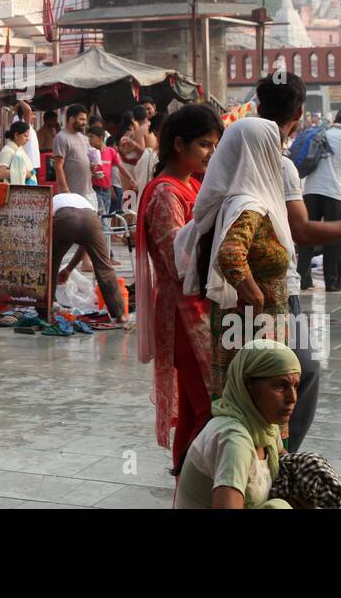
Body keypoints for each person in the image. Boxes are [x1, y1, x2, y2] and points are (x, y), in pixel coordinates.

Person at [254, 72, 341, 451]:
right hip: (275, 288)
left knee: (259, 371)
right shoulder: (279, 164)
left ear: (256, 107)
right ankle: (280, 456)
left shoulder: (238, 154)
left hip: (249, 283)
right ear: (299, 114)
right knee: (302, 370)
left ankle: (258, 453)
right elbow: (301, 230)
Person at [135, 104, 222, 471]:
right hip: (183, 312)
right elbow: (176, 264)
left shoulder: (193, 186)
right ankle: (198, 481)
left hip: (199, 306)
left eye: (215, 146)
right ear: (179, 145)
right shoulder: (166, 194)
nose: (211, 154)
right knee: (205, 405)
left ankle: (188, 483)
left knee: (195, 405)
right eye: (204, 145)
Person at [182, 118, 295, 399]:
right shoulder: (249, 205)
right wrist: (258, 302)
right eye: (274, 149)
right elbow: (231, 255)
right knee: (257, 413)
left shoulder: (234, 202)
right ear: (261, 153)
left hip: (244, 329)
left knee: (247, 413)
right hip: (254, 332)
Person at [174, 339, 301, 509]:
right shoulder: (234, 440)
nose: (292, 398)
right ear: (247, 385)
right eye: (280, 386)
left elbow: (289, 467)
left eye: (296, 386)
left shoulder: (264, 425)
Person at [297, 107, 341, 291]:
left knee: (306, 236)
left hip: (310, 190)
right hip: (336, 192)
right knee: (334, 239)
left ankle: (303, 281)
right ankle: (333, 284)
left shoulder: (321, 133)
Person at [51, 191, 127, 322]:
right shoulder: (81, 199)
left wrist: (67, 268)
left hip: (65, 218)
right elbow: (85, 245)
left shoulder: (54, 199)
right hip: (90, 219)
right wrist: (69, 269)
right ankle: (120, 314)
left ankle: (45, 309)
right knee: (104, 267)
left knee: (50, 264)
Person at [51, 104, 95, 205]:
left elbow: (87, 163)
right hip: (72, 194)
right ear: (71, 119)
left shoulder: (84, 138)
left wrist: (94, 168)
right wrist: (66, 191)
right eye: (82, 119)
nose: (85, 123)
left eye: (85, 119)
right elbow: (58, 166)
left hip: (88, 193)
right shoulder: (61, 138)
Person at [89, 126, 133, 216]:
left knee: (106, 216)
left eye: (91, 136)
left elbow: (121, 167)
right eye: (88, 137)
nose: (89, 140)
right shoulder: (90, 152)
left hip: (107, 190)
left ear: (100, 138)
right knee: (103, 217)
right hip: (95, 189)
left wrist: (131, 179)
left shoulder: (111, 151)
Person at [0, 121, 36, 185]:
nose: (27, 139)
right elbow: (1, 173)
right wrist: (25, 174)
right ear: (16, 135)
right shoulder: (8, 151)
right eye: (25, 136)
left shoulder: (19, 149)